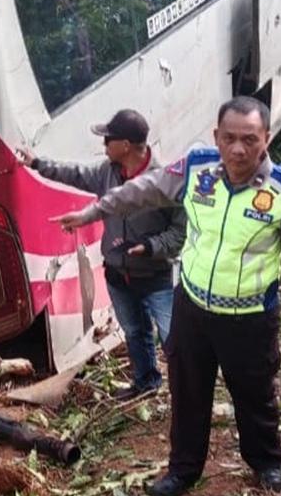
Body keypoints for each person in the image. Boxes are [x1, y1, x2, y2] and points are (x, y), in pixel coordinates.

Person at [51, 96, 281, 496]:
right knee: (188, 392)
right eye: (229, 138)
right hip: (192, 308)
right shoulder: (196, 169)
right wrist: (94, 212)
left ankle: (266, 464)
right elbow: (143, 190)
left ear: (266, 139)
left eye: (250, 139)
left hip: (250, 318)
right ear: (216, 136)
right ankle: (183, 470)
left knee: (255, 394)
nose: (238, 149)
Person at [18, 109, 185, 400]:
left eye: (108, 139)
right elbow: (74, 173)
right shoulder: (107, 172)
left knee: (174, 338)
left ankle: (187, 392)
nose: (103, 144)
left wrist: (150, 247)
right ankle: (146, 382)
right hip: (118, 274)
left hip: (155, 276)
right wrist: (37, 164)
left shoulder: (165, 180)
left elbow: (180, 234)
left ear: (126, 145)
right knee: (134, 331)